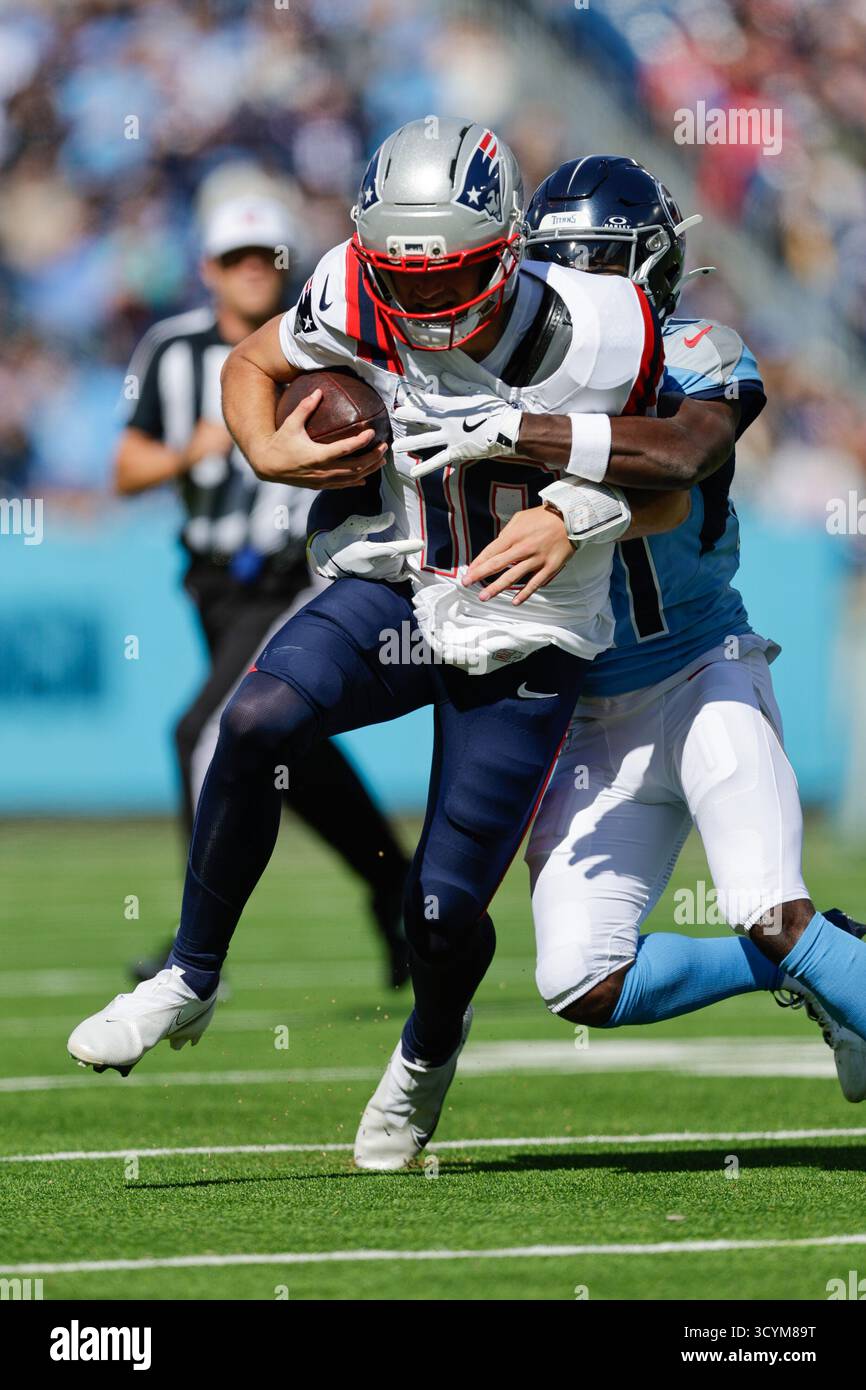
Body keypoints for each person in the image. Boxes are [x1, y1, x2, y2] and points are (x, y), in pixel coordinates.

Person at [67, 120, 684, 1169]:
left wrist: (574, 517)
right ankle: (189, 975)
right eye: (407, 280)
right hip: (402, 580)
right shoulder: (357, 281)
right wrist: (264, 445)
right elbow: (256, 363)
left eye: (452, 282)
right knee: (250, 719)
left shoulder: (604, 327)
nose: (427, 305)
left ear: (508, 249)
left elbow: (671, 483)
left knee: (439, 911)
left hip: (525, 623)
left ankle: (425, 1052)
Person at [467, 155, 866, 1101]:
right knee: (581, 981)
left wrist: (510, 433)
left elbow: (682, 456)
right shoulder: (493, 376)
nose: (582, 292)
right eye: (562, 267)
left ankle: (809, 952)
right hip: (589, 716)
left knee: (771, 909)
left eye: (601, 265)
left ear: (652, 269)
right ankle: (822, 962)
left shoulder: (699, 351)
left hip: (701, 675)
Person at [115, 191, 411, 989]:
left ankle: (193, 949)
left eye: (266, 258)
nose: (252, 273)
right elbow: (125, 470)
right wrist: (203, 446)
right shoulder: (173, 350)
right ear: (208, 270)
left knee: (203, 731)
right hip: (214, 583)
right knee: (289, 750)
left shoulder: (322, 337)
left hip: (300, 571)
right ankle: (398, 889)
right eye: (235, 260)